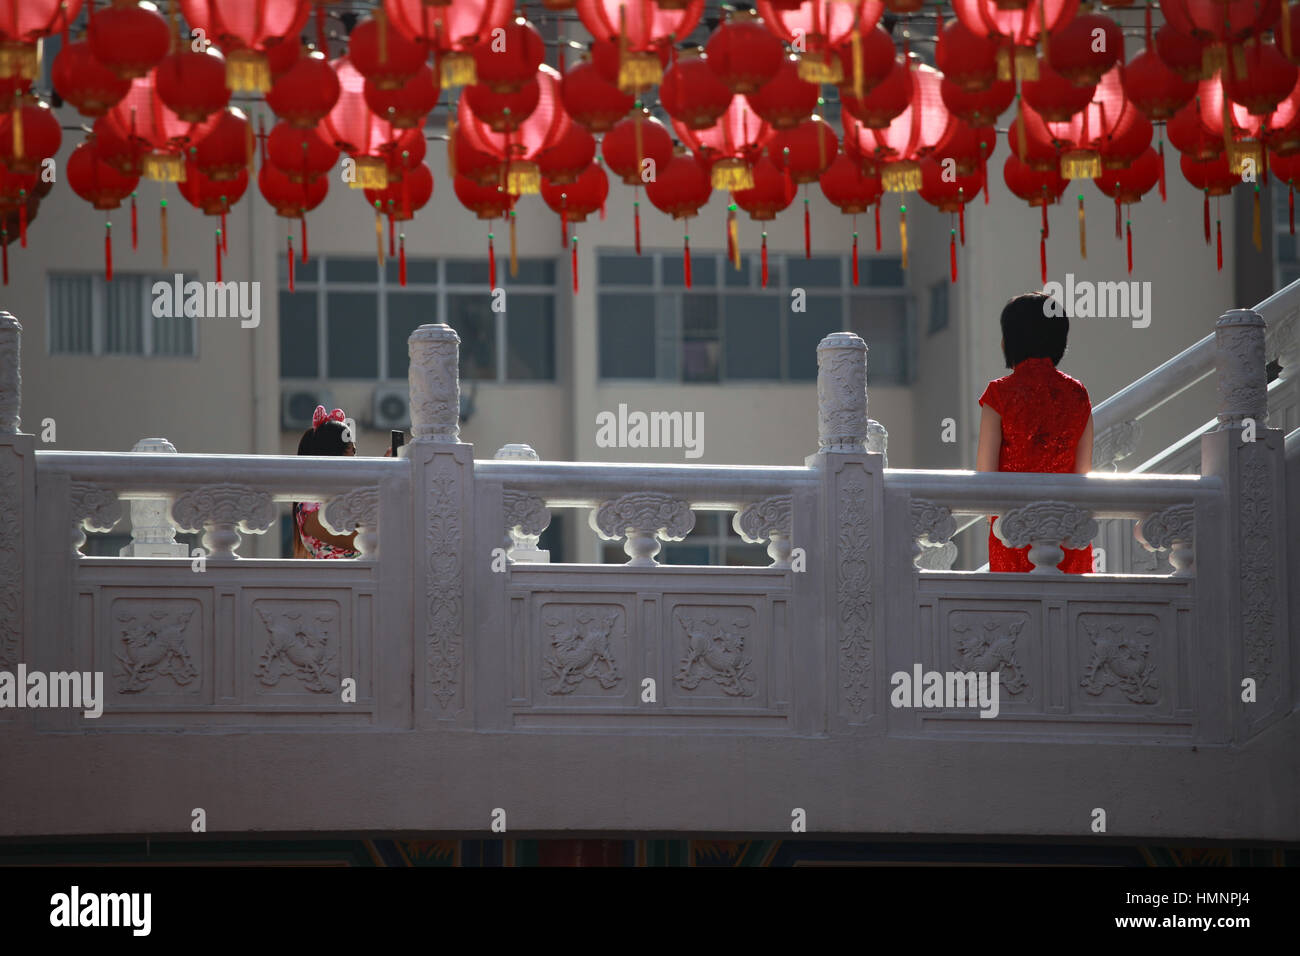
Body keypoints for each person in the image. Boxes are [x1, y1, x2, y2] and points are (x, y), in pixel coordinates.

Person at [976, 292, 1094, 573]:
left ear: (1008, 342)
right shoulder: (1078, 394)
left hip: (1013, 532)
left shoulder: (999, 394)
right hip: (1066, 531)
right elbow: (1084, 474)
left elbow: (984, 479)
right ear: (1059, 342)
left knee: (1016, 612)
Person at [292, 406, 361, 559]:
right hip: (344, 582)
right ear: (335, 454)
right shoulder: (309, 508)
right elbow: (368, 540)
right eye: (353, 452)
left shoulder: (344, 497)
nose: (357, 460)